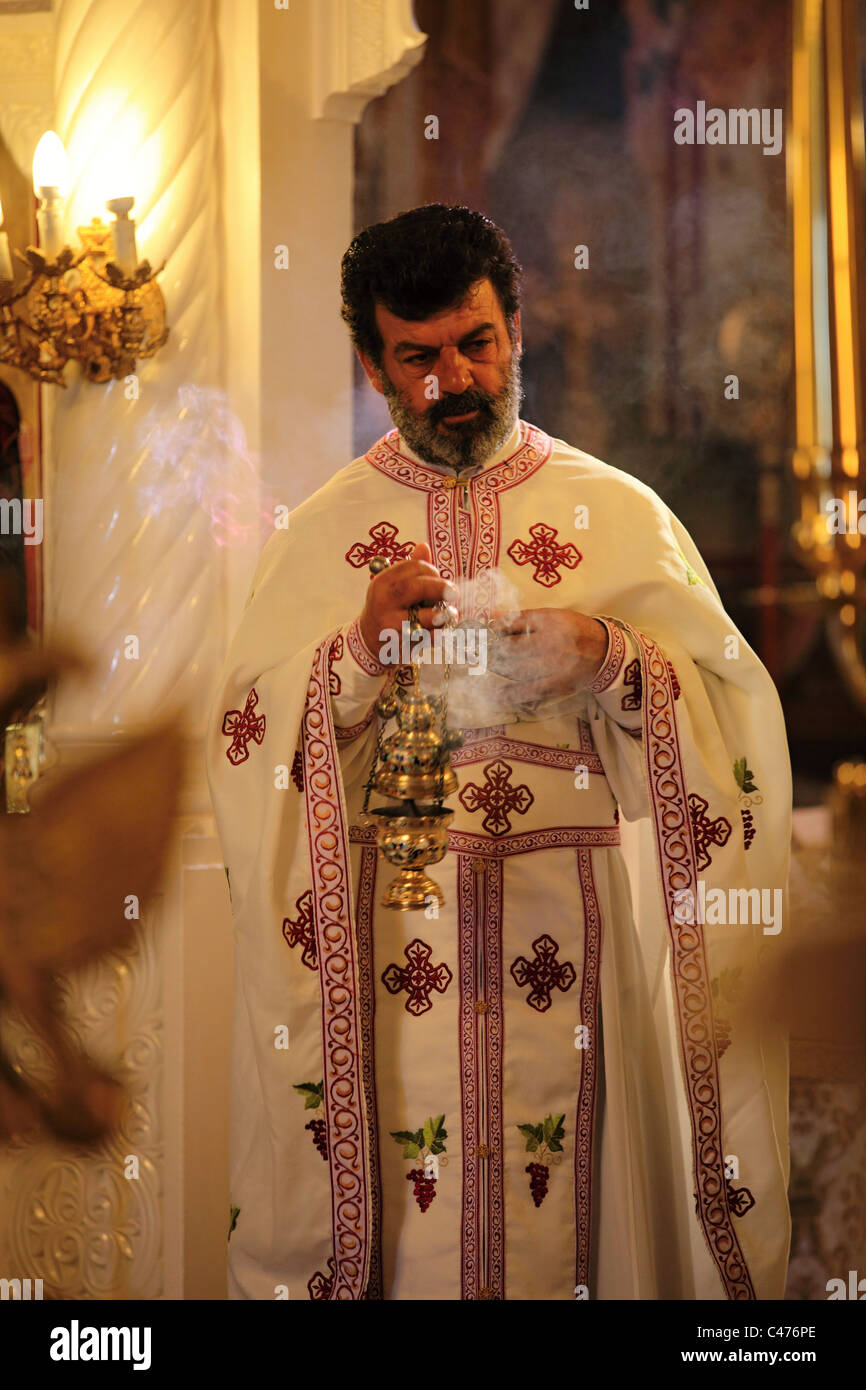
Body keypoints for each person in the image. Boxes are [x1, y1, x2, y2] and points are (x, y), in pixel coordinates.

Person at [206, 204, 792, 1301]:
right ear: (372, 361)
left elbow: (736, 725)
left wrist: (611, 657)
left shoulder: (614, 512)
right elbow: (242, 740)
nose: (452, 380)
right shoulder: (326, 532)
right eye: (416, 356)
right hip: (390, 943)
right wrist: (353, 654)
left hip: (578, 948)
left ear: (516, 327)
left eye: (475, 342)